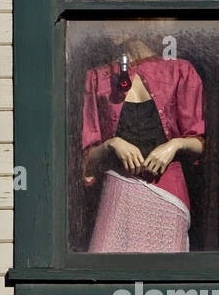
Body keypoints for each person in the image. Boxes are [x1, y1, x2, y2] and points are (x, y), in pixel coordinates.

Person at [80, 28, 205, 252]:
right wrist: (112, 144)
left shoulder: (179, 71)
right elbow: (88, 160)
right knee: (107, 271)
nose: (108, 26)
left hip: (167, 198)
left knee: (163, 279)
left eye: (118, 16)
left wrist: (174, 145)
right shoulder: (98, 78)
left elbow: (198, 143)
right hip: (118, 194)